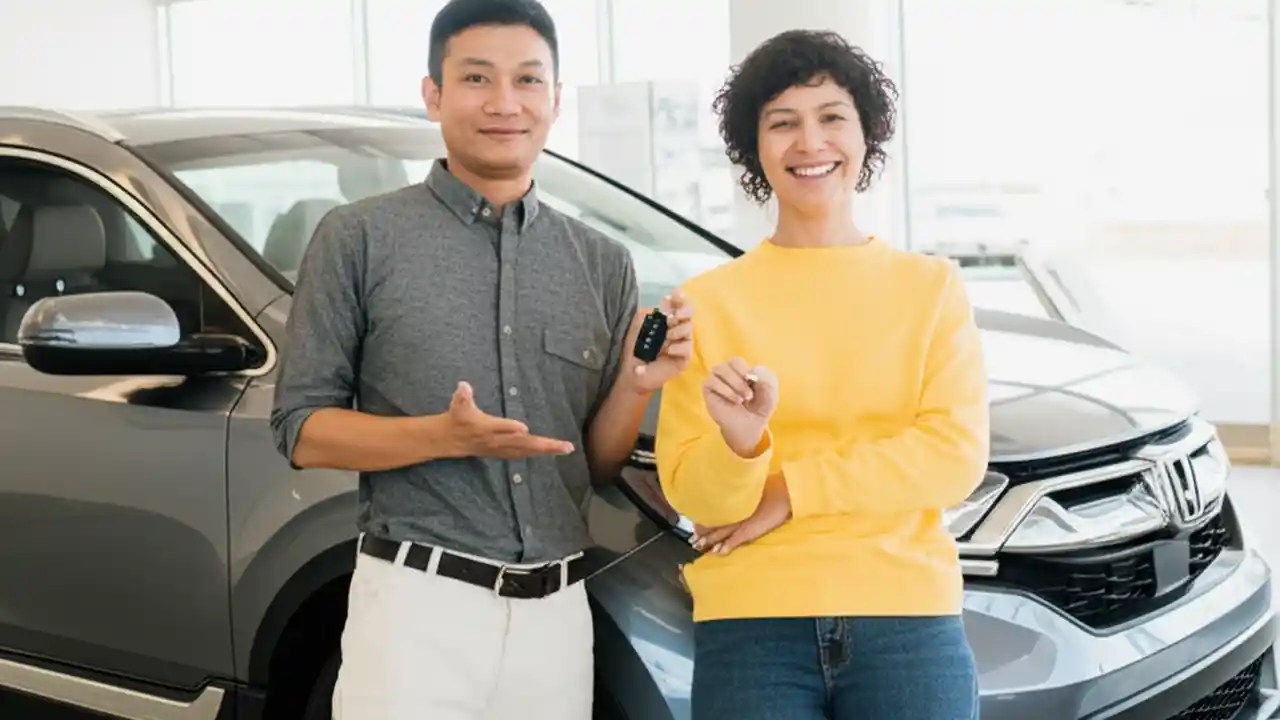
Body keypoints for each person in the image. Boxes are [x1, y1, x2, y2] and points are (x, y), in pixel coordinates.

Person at [268, 1, 693, 718]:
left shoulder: (601, 262)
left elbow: (591, 466)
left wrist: (633, 384)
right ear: (433, 93)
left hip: (557, 618)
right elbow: (300, 430)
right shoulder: (359, 239)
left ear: (556, 101)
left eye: (528, 81)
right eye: (476, 79)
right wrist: (442, 437)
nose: (505, 103)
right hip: (416, 608)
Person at [654, 29, 989, 720]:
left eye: (831, 117)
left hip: (907, 622)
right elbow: (699, 499)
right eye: (783, 123)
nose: (810, 143)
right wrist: (742, 445)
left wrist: (788, 491)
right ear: (756, 147)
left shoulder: (930, 288)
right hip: (751, 628)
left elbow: (954, 458)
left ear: (866, 135)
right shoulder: (708, 302)